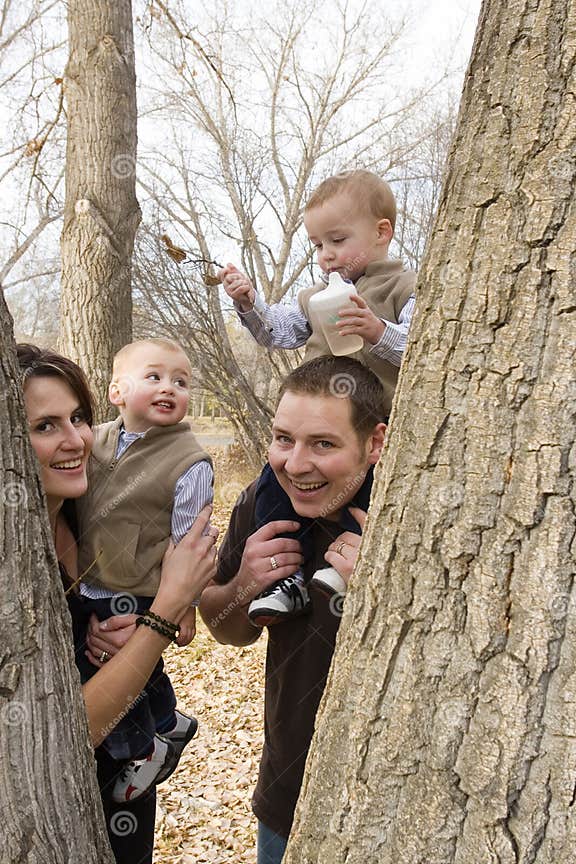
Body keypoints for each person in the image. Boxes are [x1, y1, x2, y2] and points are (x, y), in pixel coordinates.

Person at [16, 343, 218, 864]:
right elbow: (72, 729)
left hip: (123, 794)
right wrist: (163, 614)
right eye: (45, 426)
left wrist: (143, 624)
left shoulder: (83, 514)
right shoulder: (15, 561)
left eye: (78, 418)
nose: (75, 440)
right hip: (50, 810)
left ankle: (162, 724)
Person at [198, 356, 387, 864]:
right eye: (284, 439)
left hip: (394, 799)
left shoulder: (409, 516)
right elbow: (225, 630)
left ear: (375, 443)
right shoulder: (262, 503)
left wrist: (383, 590)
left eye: (323, 444)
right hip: (289, 795)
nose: (296, 465)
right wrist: (244, 583)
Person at [219, 169, 414, 624]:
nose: (326, 256)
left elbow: (425, 350)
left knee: (370, 495)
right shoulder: (316, 297)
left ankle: (343, 565)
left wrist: (378, 332)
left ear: (381, 232)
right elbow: (278, 333)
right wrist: (249, 304)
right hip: (314, 420)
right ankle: (284, 580)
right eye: (317, 245)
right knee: (272, 488)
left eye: (338, 241)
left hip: (371, 434)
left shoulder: (403, 287)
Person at [74, 337, 214, 803]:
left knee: (115, 664)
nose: (169, 388)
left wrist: (185, 606)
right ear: (117, 391)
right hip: (90, 575)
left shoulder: (188, 460)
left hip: (140, 584)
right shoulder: (94, 440)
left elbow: (189, 539)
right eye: (154, 377)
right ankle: (171, 721)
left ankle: (145, 748)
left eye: (181, 382)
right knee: (123, 665)